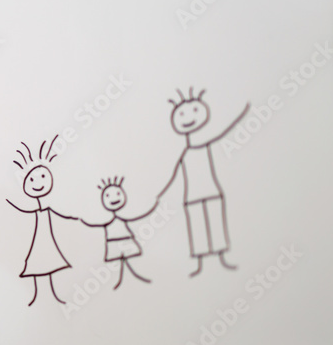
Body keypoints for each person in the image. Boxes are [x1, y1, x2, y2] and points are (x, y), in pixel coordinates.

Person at [157, 88, 249, 277]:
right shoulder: (185, 154)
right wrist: (159, 195)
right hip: (192, 197)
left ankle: (222, 256)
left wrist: (240, 114)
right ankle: (200, 263)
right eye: (181, 113)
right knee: (197, 228)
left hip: (212, 192)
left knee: (216, 223)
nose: (188, 117)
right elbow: (174, 176)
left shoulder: (205, 146)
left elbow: (223, 134)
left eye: (194, 110)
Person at [6, 137, 77, 306]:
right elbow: (25, 210)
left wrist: (72, 218)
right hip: (39, 240)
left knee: (48, 262)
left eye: (42, 176)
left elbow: (60, 214)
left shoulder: (47, 210)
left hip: (47, 240)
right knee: (38, 264)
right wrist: (13, 205)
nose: (37, 183)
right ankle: (37, 294)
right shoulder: (38, 211)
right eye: (31, 180)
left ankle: (53, 293)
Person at [81, 177, 152, 290]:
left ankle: (132, 274)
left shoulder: (122, 217)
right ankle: (121, 278)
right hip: (113, 240)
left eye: (118, 193)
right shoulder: (107, 220)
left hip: (124, 237)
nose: (114, 198)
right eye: (108, 196)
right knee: (119, 260)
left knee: (127, 257)